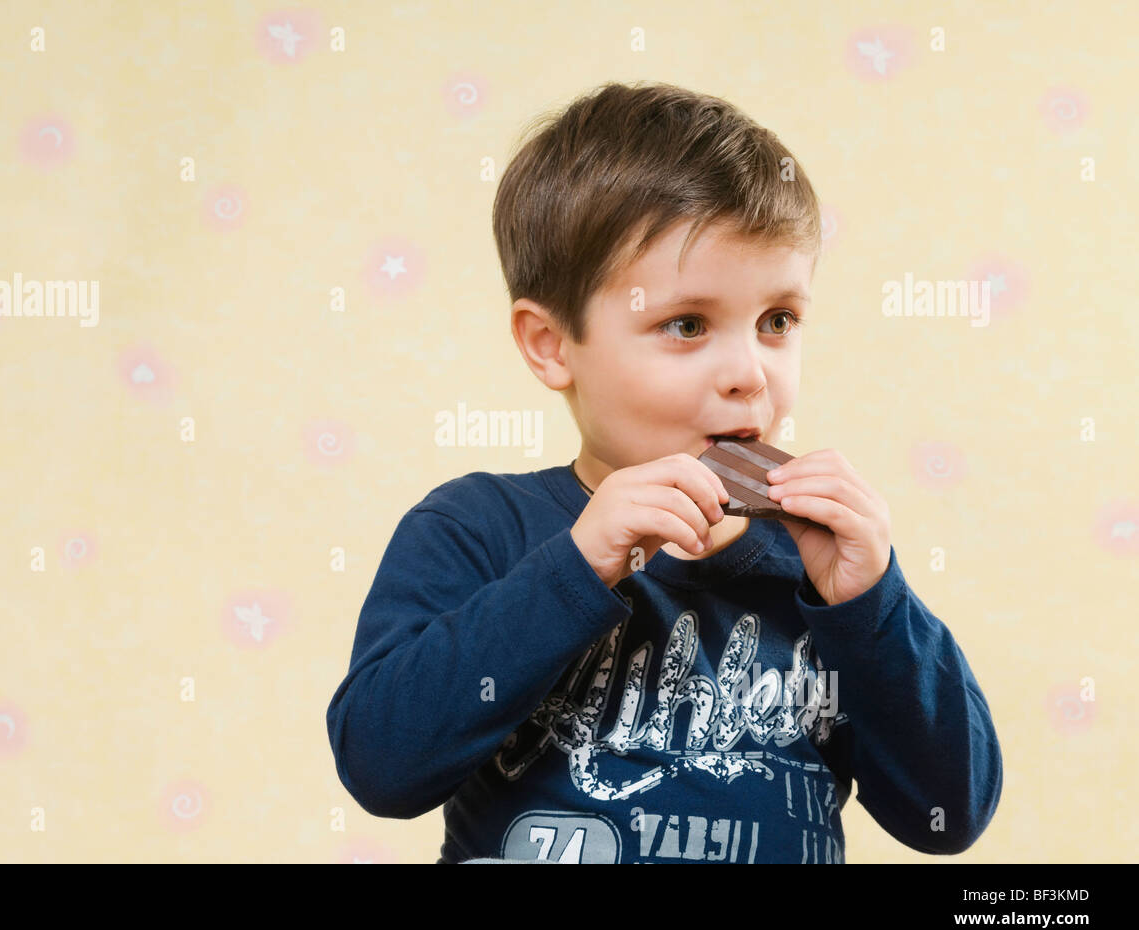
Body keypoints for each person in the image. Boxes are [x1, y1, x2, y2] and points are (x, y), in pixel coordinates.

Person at [326, 81, 1002, 863]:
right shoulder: (479, 529)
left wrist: (872, 603)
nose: (749, 372)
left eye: (777, 320)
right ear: (551, 344)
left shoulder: (823, 573)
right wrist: (577, 567)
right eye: (686, 324)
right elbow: (380, 764)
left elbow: (950, 815)